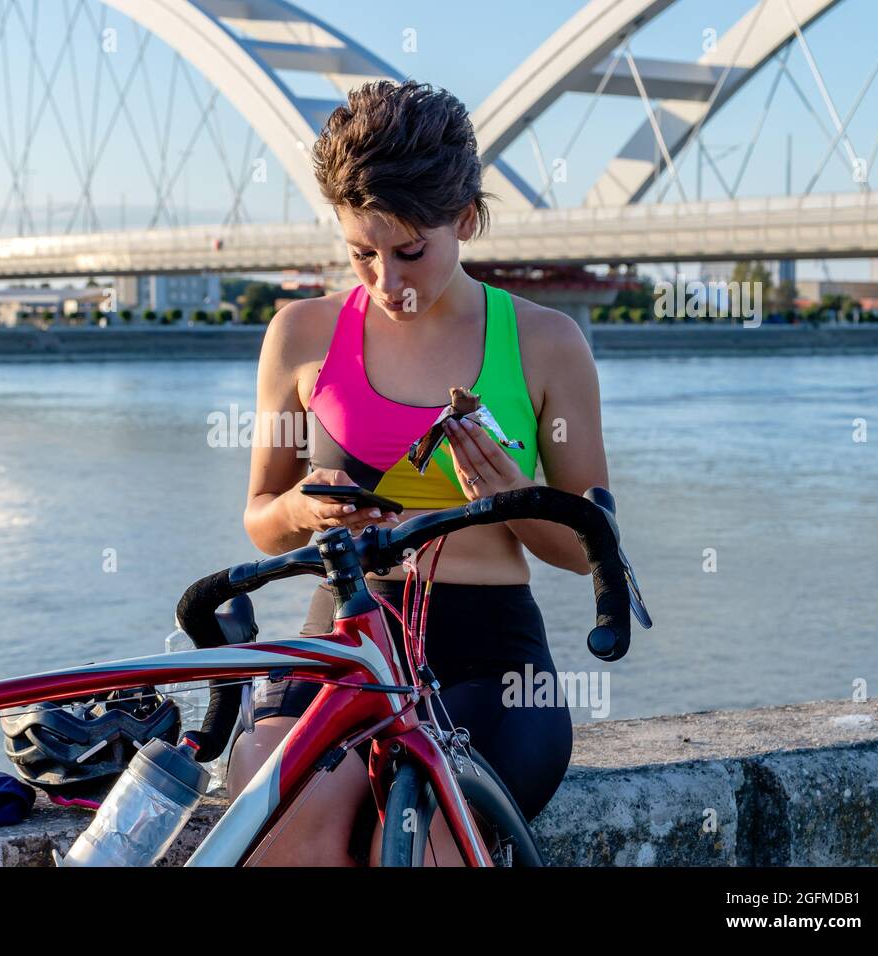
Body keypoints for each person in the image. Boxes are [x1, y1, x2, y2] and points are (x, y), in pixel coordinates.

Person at [226, 78, 609, 866]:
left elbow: (587, 549)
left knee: (415, 836)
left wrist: (510, 500)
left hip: (489, 659)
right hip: (345, 637)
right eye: (360, 254)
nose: (386, 283)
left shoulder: (545, 341)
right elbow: (262, 517)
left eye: (409, 252)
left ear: (465, 219)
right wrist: (304, 508)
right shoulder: (300, 334)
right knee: (284, 823)